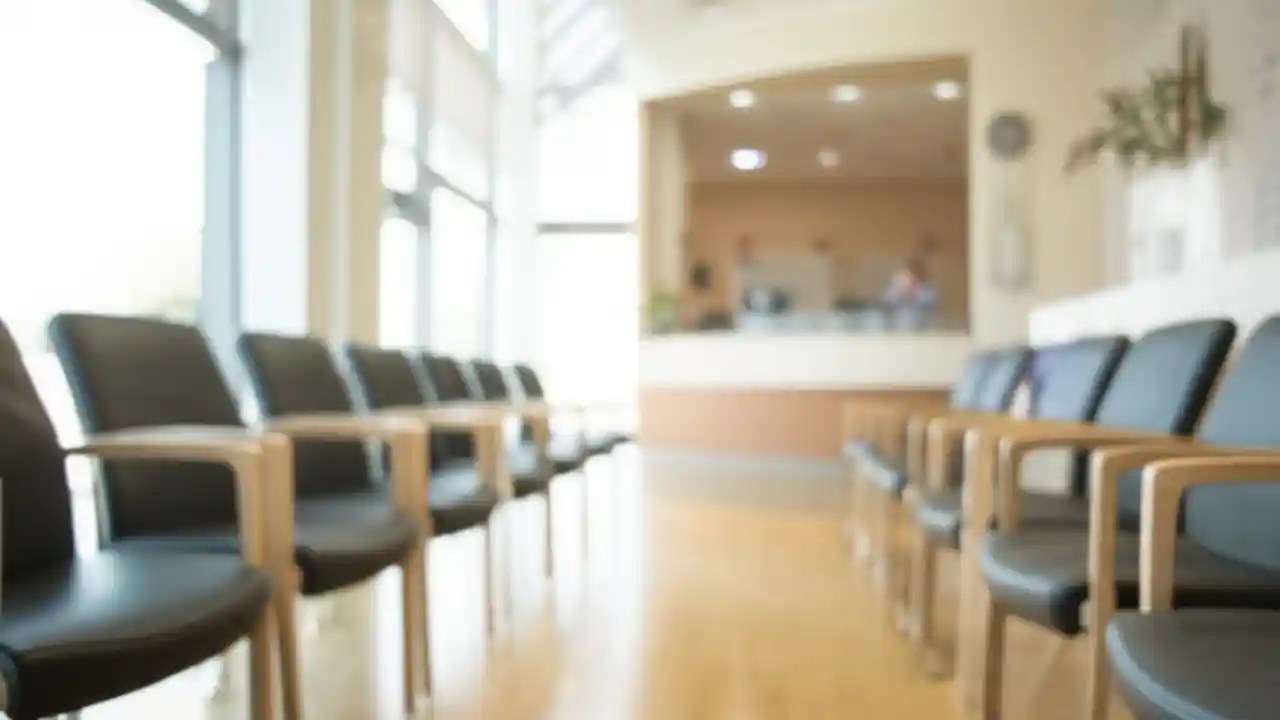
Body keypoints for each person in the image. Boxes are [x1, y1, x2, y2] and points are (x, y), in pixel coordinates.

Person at [881, 258, 937, 329]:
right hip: (898, 325)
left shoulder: (927, 288)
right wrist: (901, 290)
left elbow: (931, 305)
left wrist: (914, 292)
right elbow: (887, 302)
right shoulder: (896, 286)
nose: (911, 276)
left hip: (922, 326)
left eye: (914, 272)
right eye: (907, 273)